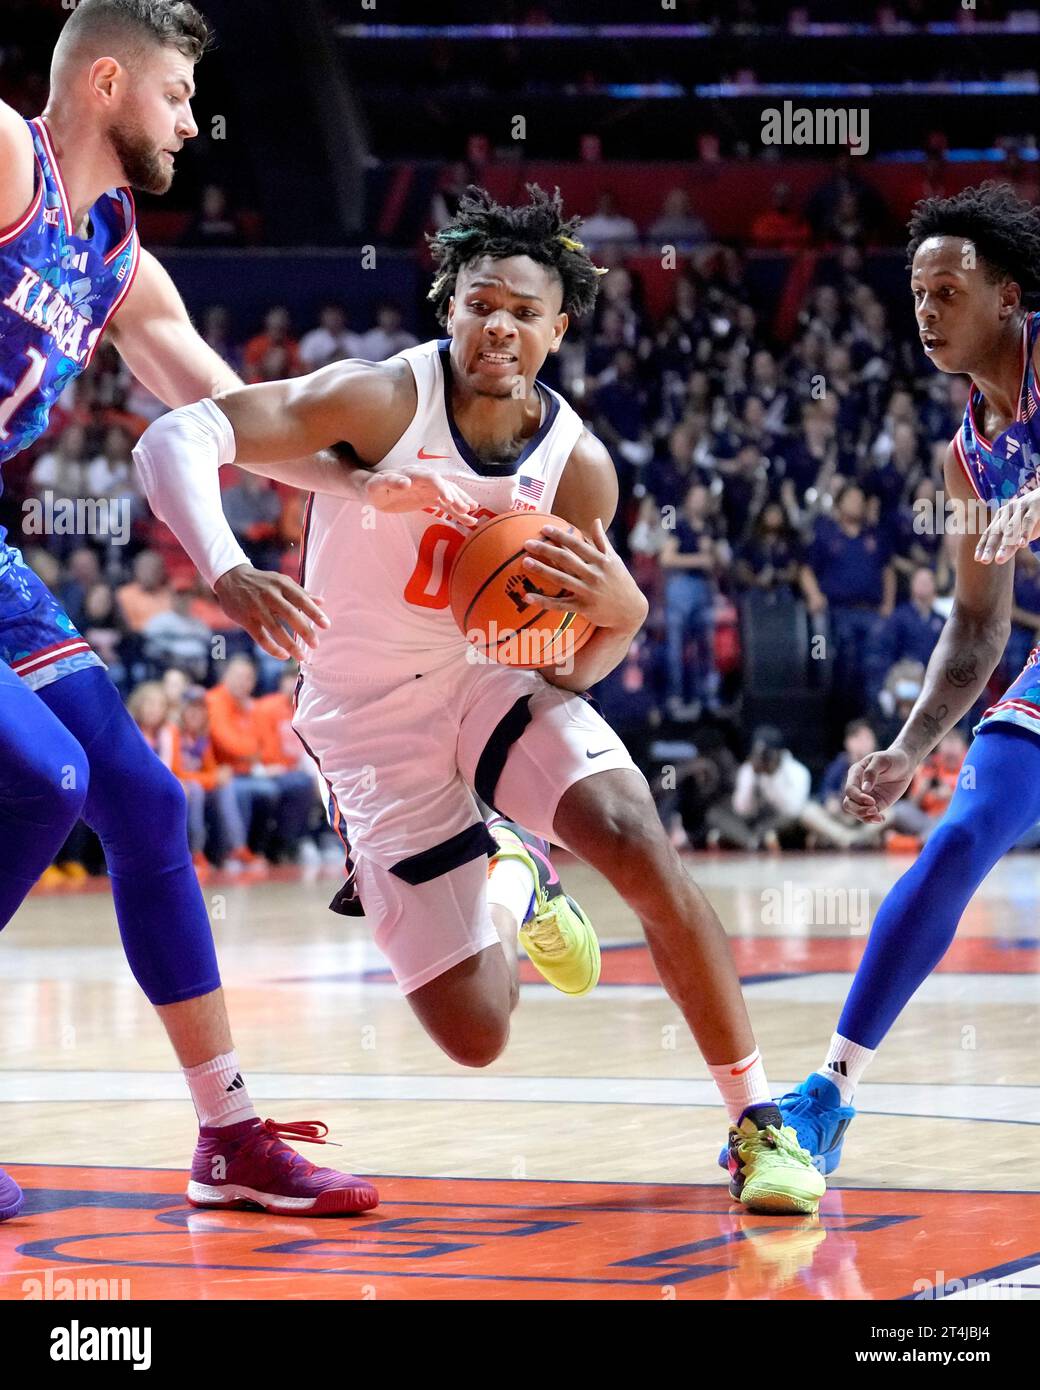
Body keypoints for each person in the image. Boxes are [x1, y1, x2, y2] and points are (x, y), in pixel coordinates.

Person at [135, 184, 826, 1216]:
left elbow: (566, 667)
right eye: (476, 302)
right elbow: (170, 441)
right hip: (364, 724)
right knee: (476, 1030)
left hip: (486, 681)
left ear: (557, 327)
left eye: (520, 309)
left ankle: (758, 1121)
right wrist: (228, 565)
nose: (496, 324)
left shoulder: (576, 472)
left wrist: (622, 618)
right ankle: (514, 875)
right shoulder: (379, 400)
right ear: (446, 311)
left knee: (631, 834)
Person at [0, 0, 462, 1222]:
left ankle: (230, 1133)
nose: (195, 125)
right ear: (105, 82)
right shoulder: (9, 155)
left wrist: (371, 484)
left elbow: (224, 405)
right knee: (45, 777)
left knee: (144, 800)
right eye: (175, 97)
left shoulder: (112, 255)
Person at [769, 182, 1040, 1174]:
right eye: (915, 293)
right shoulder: (967, 458)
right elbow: (974, 625)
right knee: (964, 826)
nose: (924, 311)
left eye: (945, 293)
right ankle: (829, 1087)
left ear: (1005, 297)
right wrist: (908, 744)